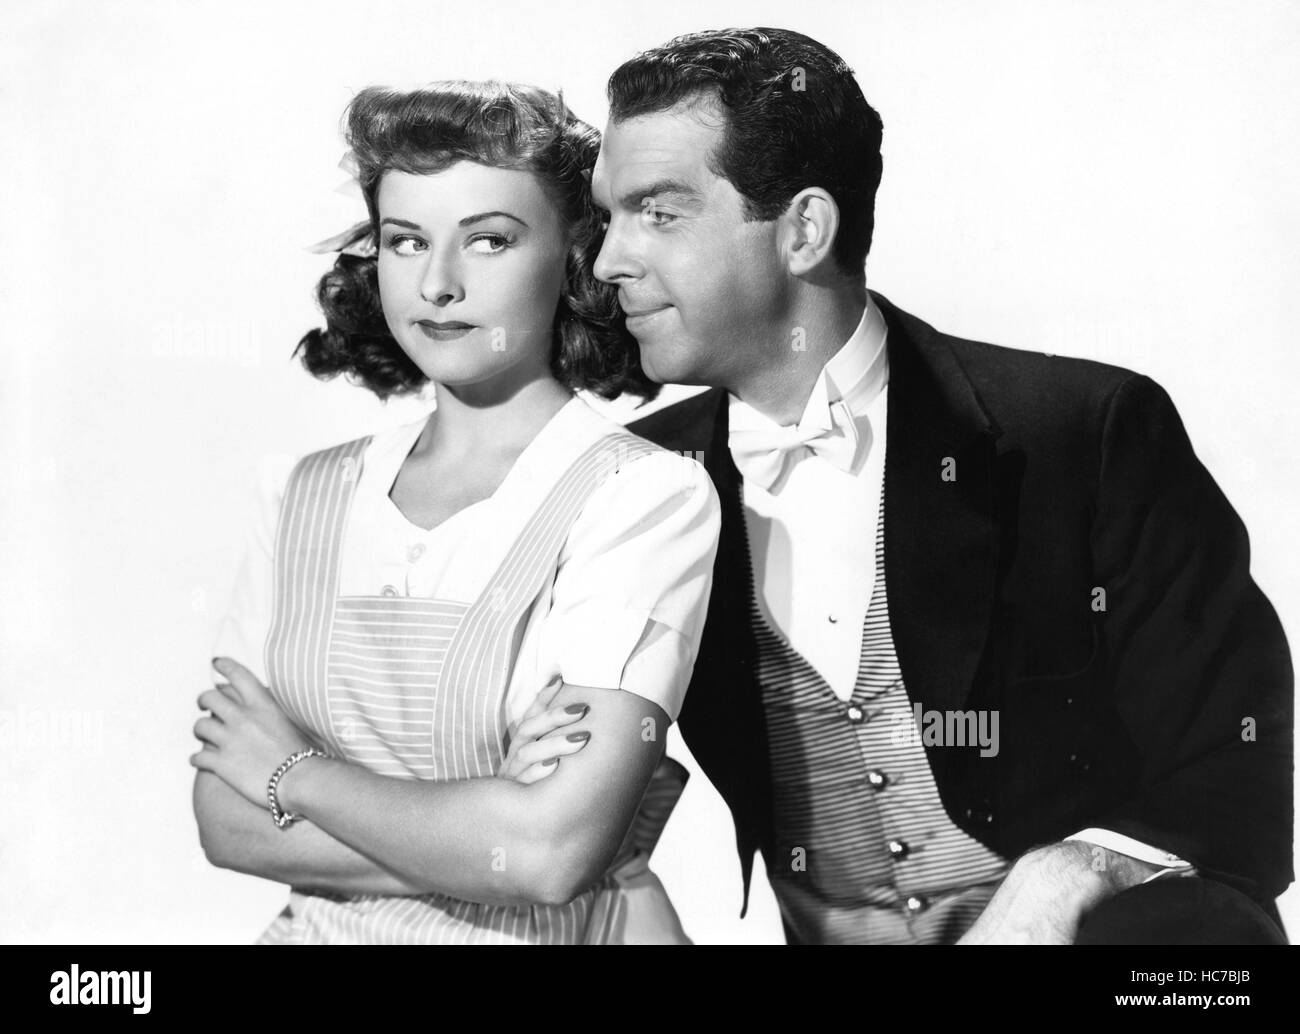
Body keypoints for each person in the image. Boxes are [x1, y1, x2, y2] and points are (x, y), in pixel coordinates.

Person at [590, 27, 1293, 944]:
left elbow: (1240, 770)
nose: (609, 261)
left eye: (657, 213)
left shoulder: (1083, 431)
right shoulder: (634, 487)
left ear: (804, 229)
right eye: (609, 217)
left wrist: (1073, 869)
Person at [189, 80, 720, 944]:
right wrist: (483, 822)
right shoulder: (299, 494)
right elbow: (223, 821)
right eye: (406, 241)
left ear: (571, 256)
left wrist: (293, 774)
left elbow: (550, 855)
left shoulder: (642, 496)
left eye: (489, 240)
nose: (438, 284)